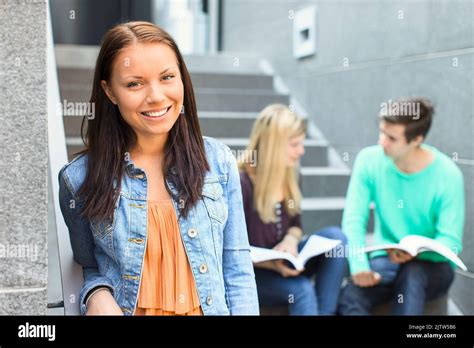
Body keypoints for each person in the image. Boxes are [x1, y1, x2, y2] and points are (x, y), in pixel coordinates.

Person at [58, 21, 259, 316]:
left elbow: (238, 270)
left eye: (167, 77)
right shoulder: (79, 179)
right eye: (134, 83)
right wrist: (97, 292)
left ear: (182, 78)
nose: (155, 96)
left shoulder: (218, 162)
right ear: (110, 91)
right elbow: (90, 264)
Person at [338, 97, 465, 315]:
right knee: (351, 297)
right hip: (386, 259)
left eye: (391, 138)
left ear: (416, 139)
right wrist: (359, 266)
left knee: (413, 276)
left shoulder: (448, 174)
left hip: (433, 267)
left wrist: (416, 254)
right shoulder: (369, 160)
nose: (381, 142)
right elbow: (353, 220)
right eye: (381, 132)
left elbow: (451, 241)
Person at [238, 104, 347, 315]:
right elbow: (231, 249)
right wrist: (274, 265)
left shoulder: (291, 174)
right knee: (302, 290)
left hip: (286, 263)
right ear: (273, 145)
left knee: (336, 238)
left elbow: (296, 225)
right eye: (295, 144)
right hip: (254, 272)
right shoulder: (241, 182)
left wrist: (290, 240)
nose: (301, 151)